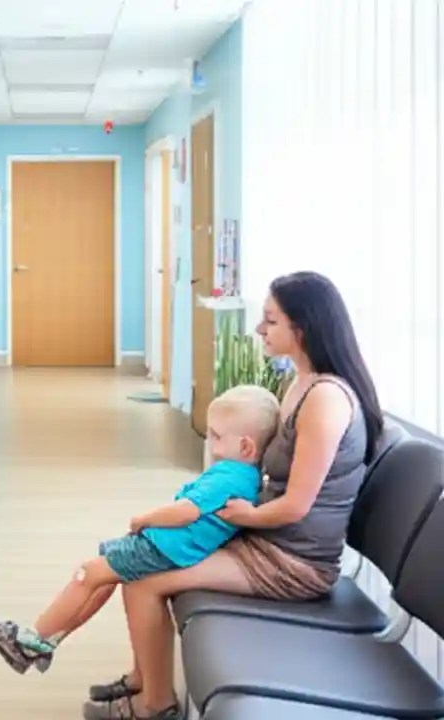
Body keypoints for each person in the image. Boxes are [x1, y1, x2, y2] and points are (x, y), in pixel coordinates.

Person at [79, 271, 383, 720]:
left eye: (270, 321)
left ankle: (156, 706)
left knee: (144, 579)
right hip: (274, 539)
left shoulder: (326, 399)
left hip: (295, 562)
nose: (260, 329)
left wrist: (238, 515)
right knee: (142, 561)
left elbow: (296, 505)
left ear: (303, 328)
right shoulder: (301, 383)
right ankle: (147, 681)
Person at [0, 384, 280, 676]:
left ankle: (30, 641)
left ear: (245, 446)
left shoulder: (228, 476)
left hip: (162, 548)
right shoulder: (247, 478)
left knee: (87, 573)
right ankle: (46, 642)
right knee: (102, 579)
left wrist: (145, 518)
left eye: (216, 436)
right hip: (170, 548)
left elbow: (186, 511)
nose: (210, 443)